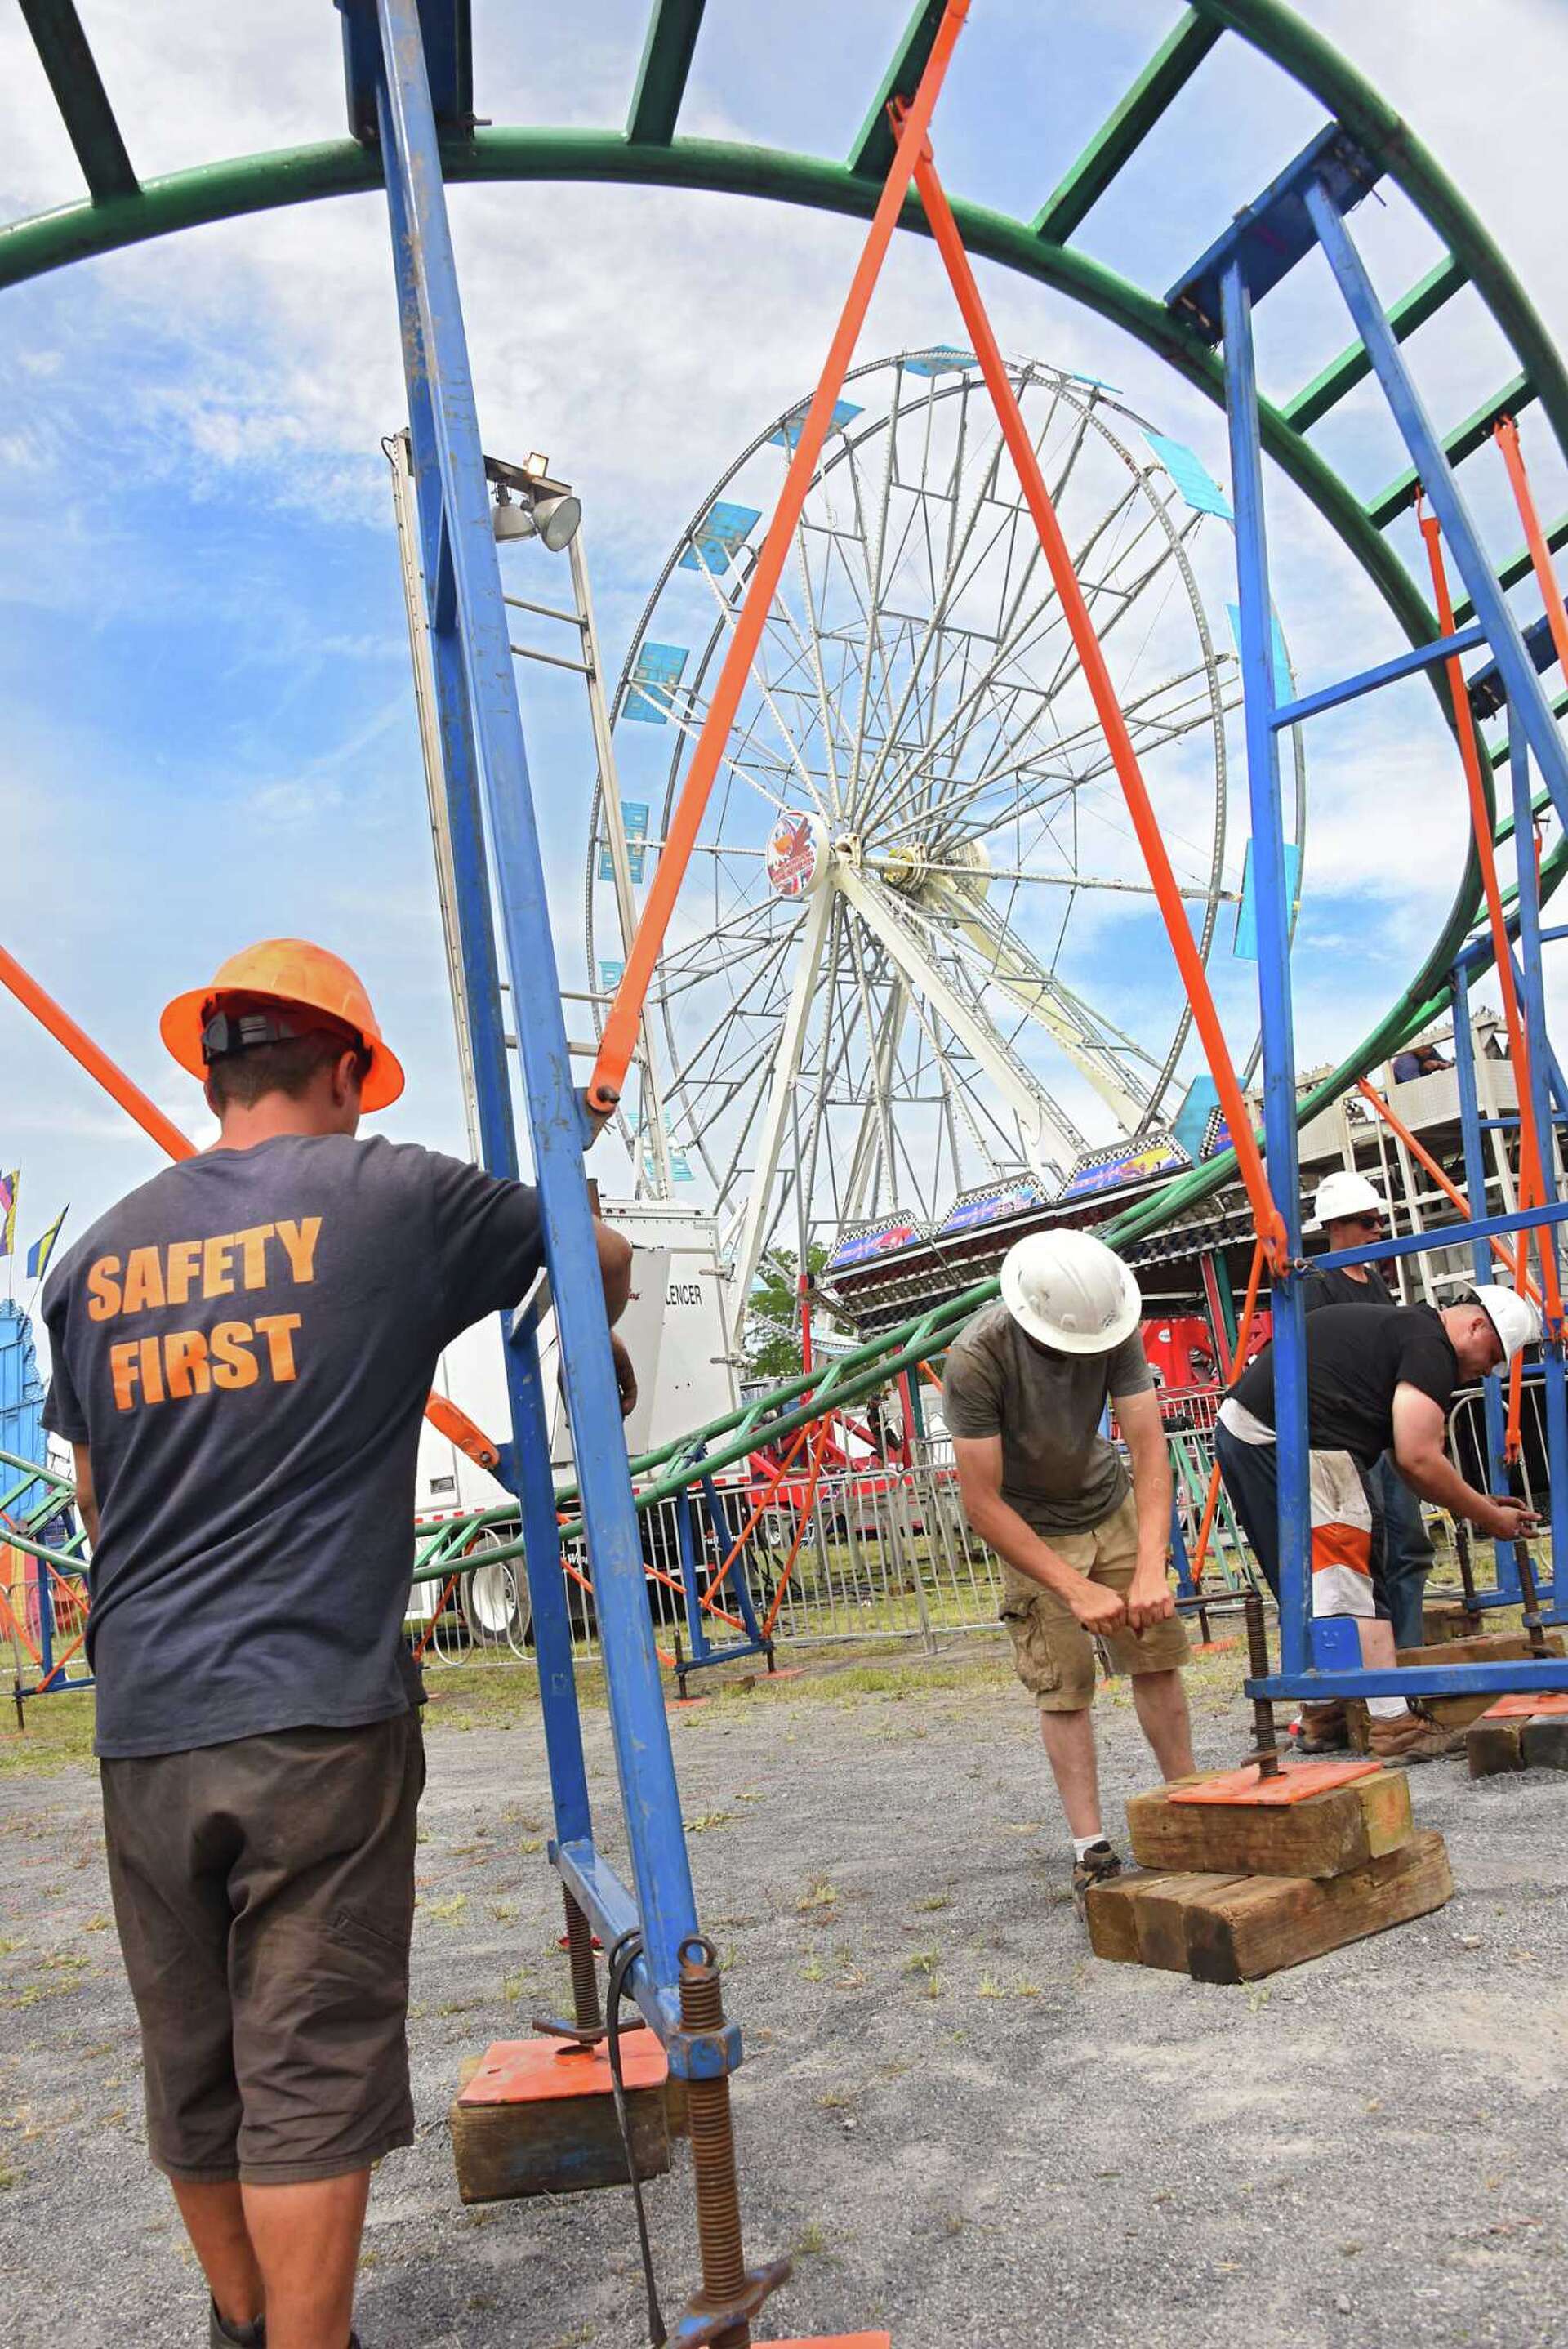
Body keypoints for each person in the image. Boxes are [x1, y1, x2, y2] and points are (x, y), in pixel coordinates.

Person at [42, 940, 637, 2349]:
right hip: (316, 1711)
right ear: (349, 1071)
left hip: (145, 1718)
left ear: (214, 1073)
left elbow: (97, 1498)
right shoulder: (393, 1197)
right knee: (307, 2062)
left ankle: (245, 2327)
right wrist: (593, 1289)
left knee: (196, 2058)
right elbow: (593, 1252)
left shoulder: (93, 1257)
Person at [944, 1229, 1195, 1911]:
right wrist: (1072, 1586)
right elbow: (982, 1502)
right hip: (1030, 1526)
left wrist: (1152, 1566)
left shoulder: (1112, 1322)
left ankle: (1190, 1807)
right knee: (1065, 1686)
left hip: (1108, 1500)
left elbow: (1149, 1450)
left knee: (1156, 1657)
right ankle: (1090, 1848)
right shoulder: (977, 1358)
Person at [1214, 1284, 1539, 1763]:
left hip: (1251, 1432)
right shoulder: (1431, 1346)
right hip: (1294, 1439)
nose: (1488, 1370)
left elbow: (1411, 1457)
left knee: (1313, 1584)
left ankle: (1324, 1714)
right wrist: (1489, 1517)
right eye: (1493, 1356)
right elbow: (1417, 1457)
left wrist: (1475, 1501)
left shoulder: (1404, 1332)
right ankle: (1394, 1726)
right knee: (1355, 1579)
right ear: (1476, 1326)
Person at [1303, 1170, 1435, 1663]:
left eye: (1378, 1220)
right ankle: (1378, 1660)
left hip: (1386, 1430)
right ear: (1335, 1226)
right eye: (1367, 1221)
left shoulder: (1374, 1282)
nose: (1377, 1230)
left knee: (1409, 1542)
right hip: (1349, 1435)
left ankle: (1408, 1651)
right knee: (1367, 1547)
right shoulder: (1316, 1284)